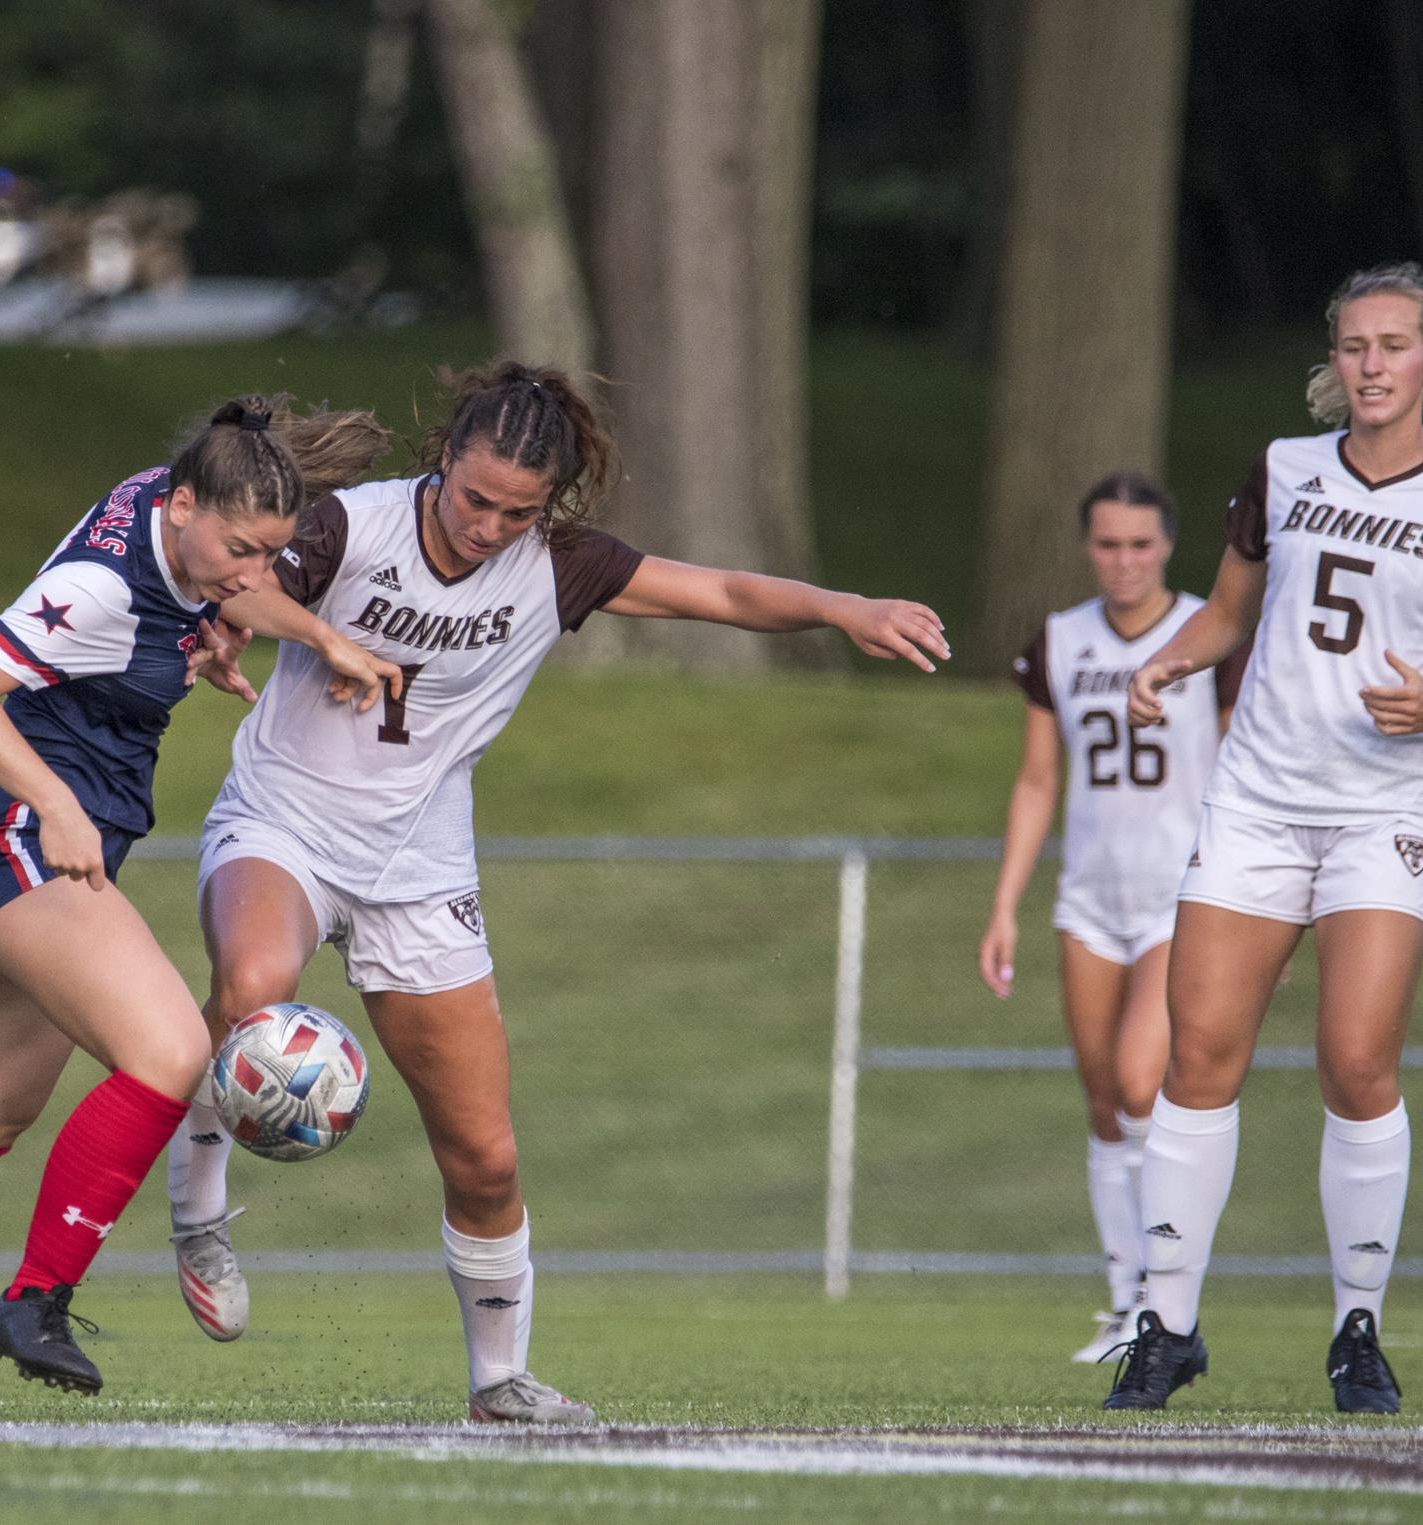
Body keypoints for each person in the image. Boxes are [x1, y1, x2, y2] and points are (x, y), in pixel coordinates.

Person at [168, 361, 950, 1424]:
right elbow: (244, 585)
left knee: (483, 1153)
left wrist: (842, 607)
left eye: (517, 510)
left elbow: (716, 592)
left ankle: (500, 1381)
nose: (488, 525)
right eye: (474, 496)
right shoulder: (353, 526)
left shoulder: (559, 567)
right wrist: (309, 635)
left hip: (420, 867)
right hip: (284, 820)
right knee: (253, 983)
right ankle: (199, 1212)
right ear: (442, 460)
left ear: (553, 506)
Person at [0, 396, 393, 1419]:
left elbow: (226, 591)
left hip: (44, 838)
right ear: (184, 502)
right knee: (167, 1051)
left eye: (267, 557)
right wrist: (55, 804)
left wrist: (311, 635)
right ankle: (36, 1300)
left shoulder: (177, 524)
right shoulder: (98, 586)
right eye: (238, 551)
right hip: (20, 838)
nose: (248, 577)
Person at [1109, 262, 1423, 1413]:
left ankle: (1355, 1329)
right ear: (1334, 361)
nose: (1370, 365)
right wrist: (1170, 659)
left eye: (1392, 345)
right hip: (1258, 800)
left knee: (1357, 1061)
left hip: (1381, 812)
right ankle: (1165, 1327)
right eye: (1352, 345)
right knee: (1199, 1053)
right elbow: (1229, 613)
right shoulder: (1279, 469)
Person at [980, 472, 1244, 1364]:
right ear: (1086, 546)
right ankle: (1126, 1295)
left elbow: (1246, 765)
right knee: (1103, 1101)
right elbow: (1037, 779)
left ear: (1167, 544)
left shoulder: (1209, 632)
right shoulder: (1059, 641)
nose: (1123, 560)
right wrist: (1006, 904)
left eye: (1139, 543)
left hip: (1187, 893)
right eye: (1107, 543)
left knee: (1143, 1084)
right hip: (1091, 897)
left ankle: (1163, 1294)